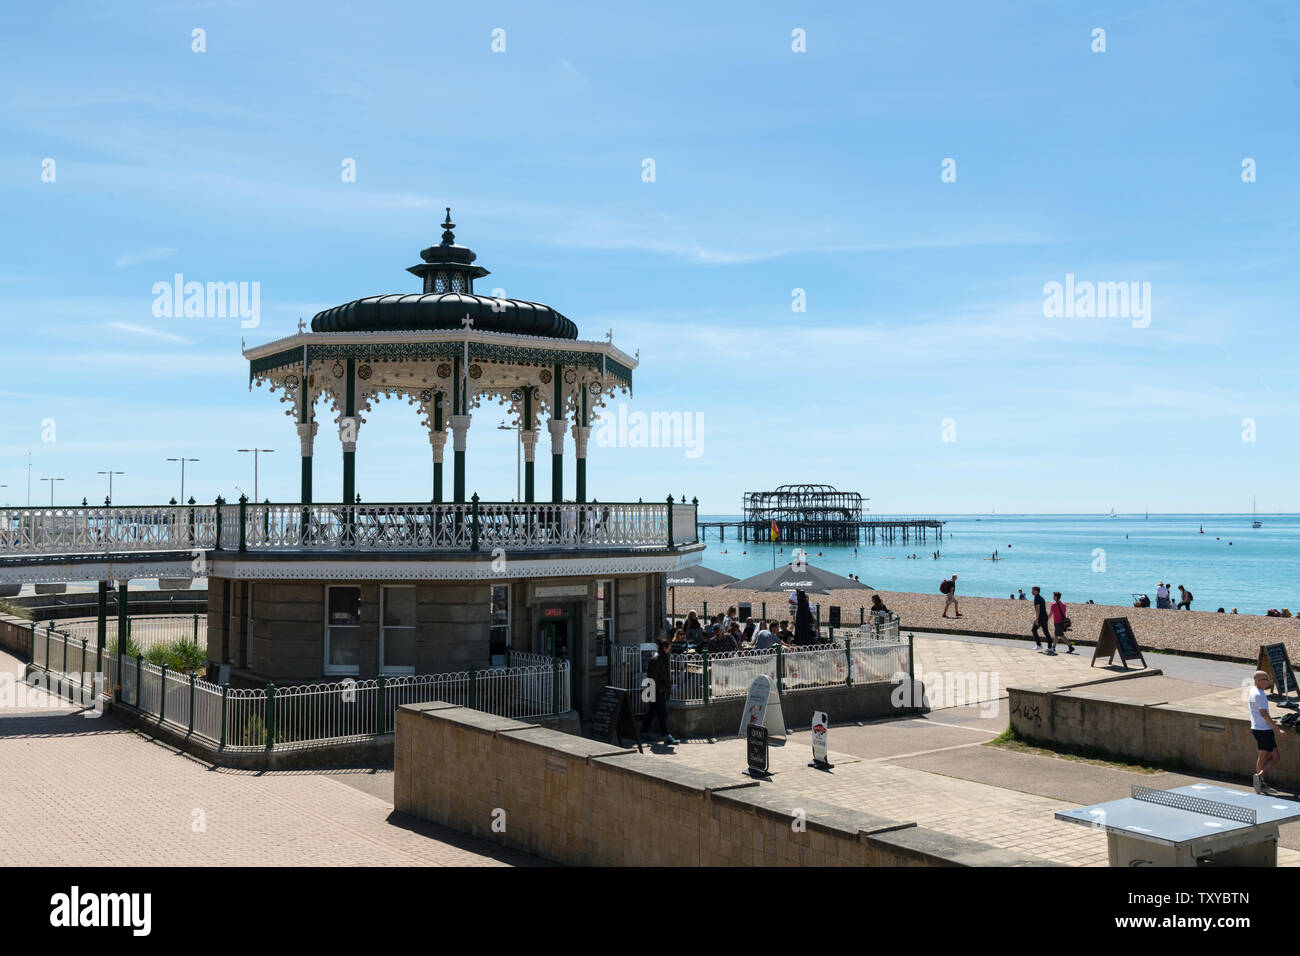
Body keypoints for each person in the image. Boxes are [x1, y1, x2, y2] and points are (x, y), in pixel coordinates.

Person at [1249, 670, 1284, 792]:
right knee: (1263, 756)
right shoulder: (1258, 695)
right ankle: (1259, 780)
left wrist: (1271, 720)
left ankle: (1259, 778)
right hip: (1263, 730)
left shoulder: (1255, 691)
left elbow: (1260, 713)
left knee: (1275, 757)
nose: (1269, 681)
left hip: (1262, 728)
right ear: (1259, 681)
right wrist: (1277, 730)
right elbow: (1263, 714)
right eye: (1266, 679)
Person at [639, 639, 678, 745]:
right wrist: (660, 688)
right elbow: (652, 677)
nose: (669, 651)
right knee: (662, 713)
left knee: (653, 711)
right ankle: (666, 735)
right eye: (668, 648)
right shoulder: (657, 660)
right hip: (656, 690)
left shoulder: (662, 658)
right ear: (664, 648)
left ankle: (643, 731)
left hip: (657, 689)